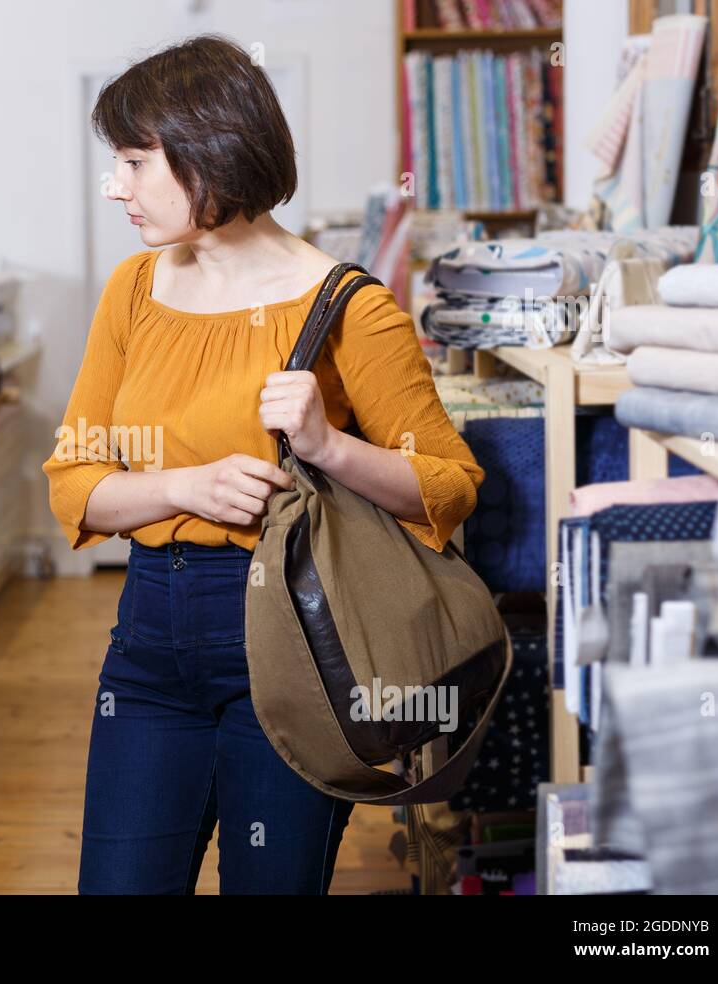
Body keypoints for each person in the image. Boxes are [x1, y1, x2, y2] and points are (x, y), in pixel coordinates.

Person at [42, 34, 483, 895]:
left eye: (135, 162)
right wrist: (182, 487)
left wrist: (329, 447)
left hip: (292, 643)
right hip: (147, 643)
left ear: (211, 151)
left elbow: (450, 486)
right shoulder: (132, 291)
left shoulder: (352, 306)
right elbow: (74, 480)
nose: (114, 185)